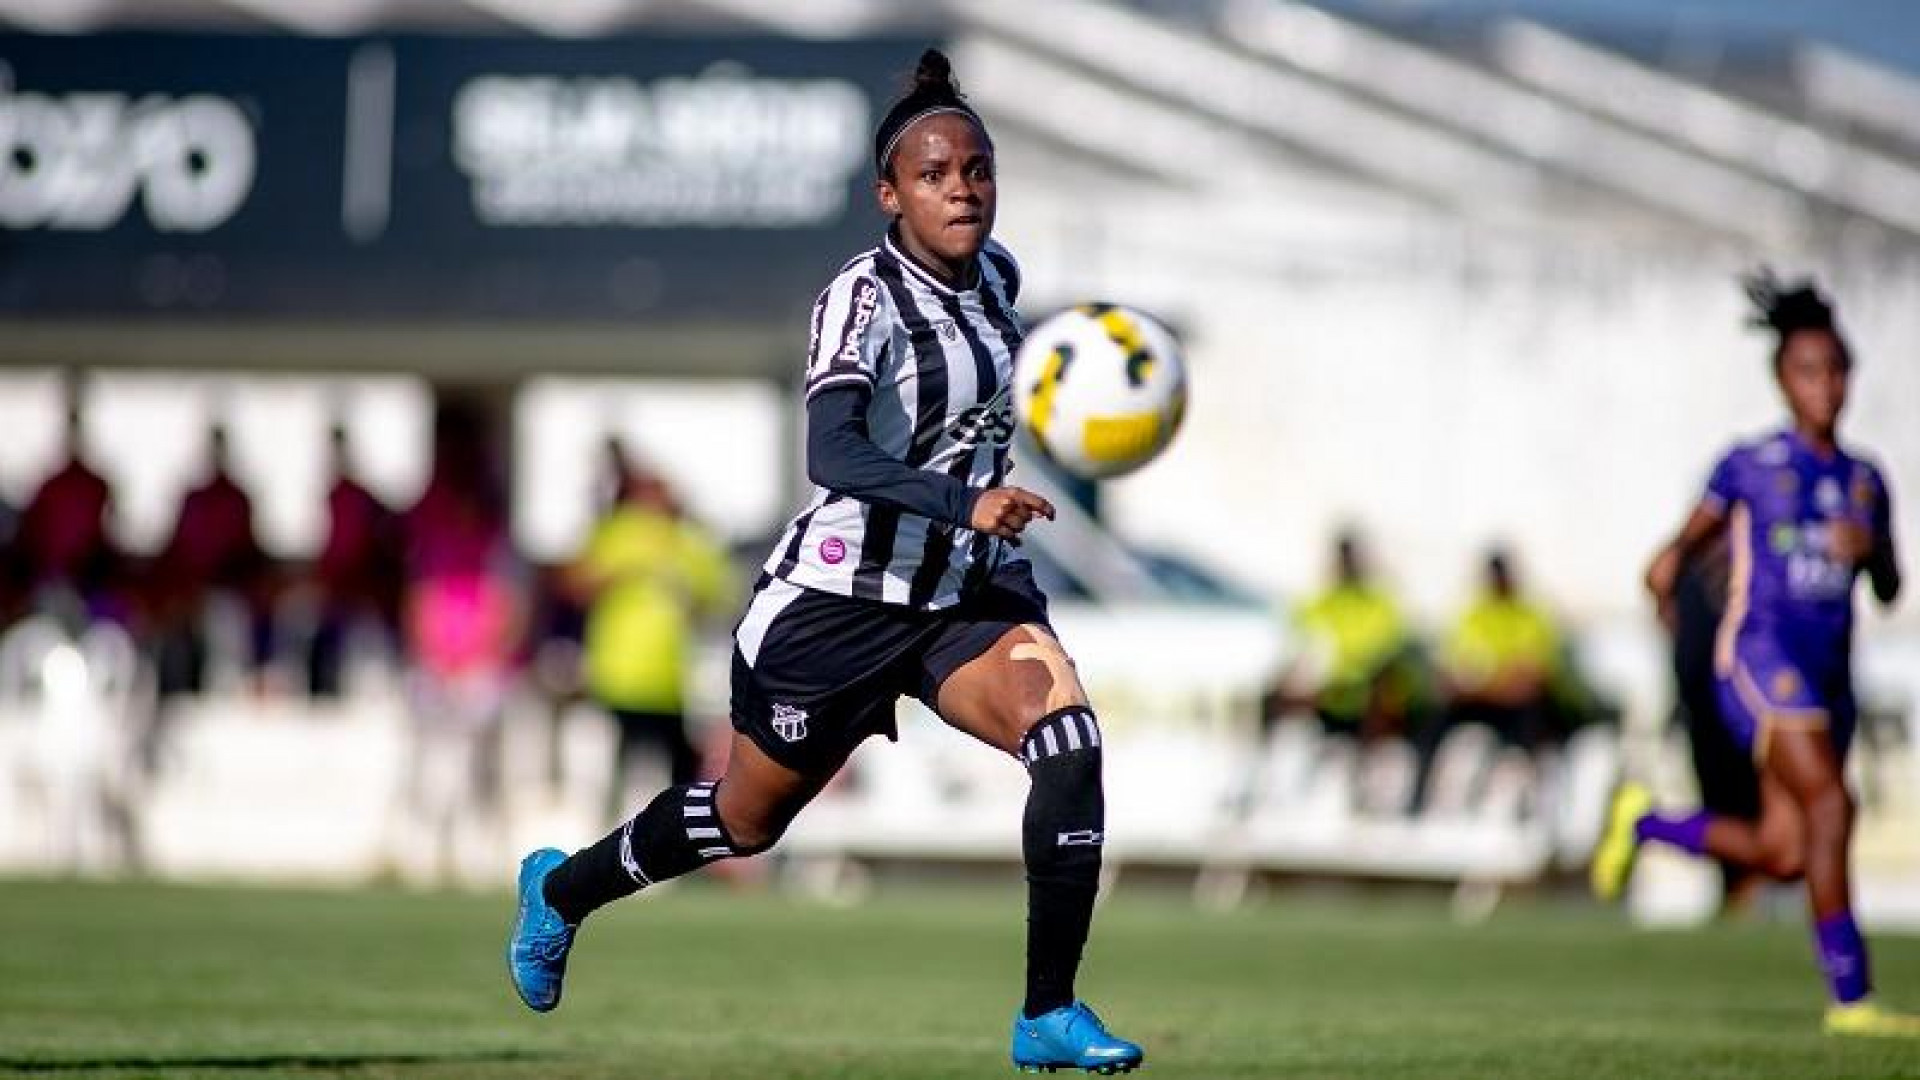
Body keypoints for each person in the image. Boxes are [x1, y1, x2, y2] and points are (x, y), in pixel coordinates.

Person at [507, 50, 1144, 1073]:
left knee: (1066, 742)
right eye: (935, 175)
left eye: (977, 169)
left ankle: (1047, 1013)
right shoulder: (861, 300)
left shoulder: (1002, 279)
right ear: (889, 193)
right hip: (835, 606)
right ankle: (561, 891)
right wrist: (965, 498)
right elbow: (833, 452)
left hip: (960, 596)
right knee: (745, 822)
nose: (963, 189)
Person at [1591, 273, 1914, 1036]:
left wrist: (1870, 553)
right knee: (1834, 803)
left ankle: (1647, 825)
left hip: (1828, 671)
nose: (1826, 387)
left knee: (1784, 851)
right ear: (1782, 379)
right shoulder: (1750, 465)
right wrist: (1668, 587)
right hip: (1760, 658)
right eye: (1810, 371)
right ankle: (1853, 999)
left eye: (1837, 371)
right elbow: (1672, 556)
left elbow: (1894, 588)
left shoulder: (1866, 482)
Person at [564, 443, 733, 809]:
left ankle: (675, 841)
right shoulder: (618, 533)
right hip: (618, 676)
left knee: (674, 770)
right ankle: (608, 838)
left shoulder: (687, 540)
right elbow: (576, 584)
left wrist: (690, 597)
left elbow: (719, 595)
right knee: (614, 767)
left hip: (669, 680)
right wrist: (619, 577)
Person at [1268, 529, 1422, 744]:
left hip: (1372, 691)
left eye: (1352, 558)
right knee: (1277, 692)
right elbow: (1295, 629)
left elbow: (1397, 646)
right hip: (1335, 689)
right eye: (1343, 558)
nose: (1348, 565)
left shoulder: (1380, 601)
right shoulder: (1326, 600)